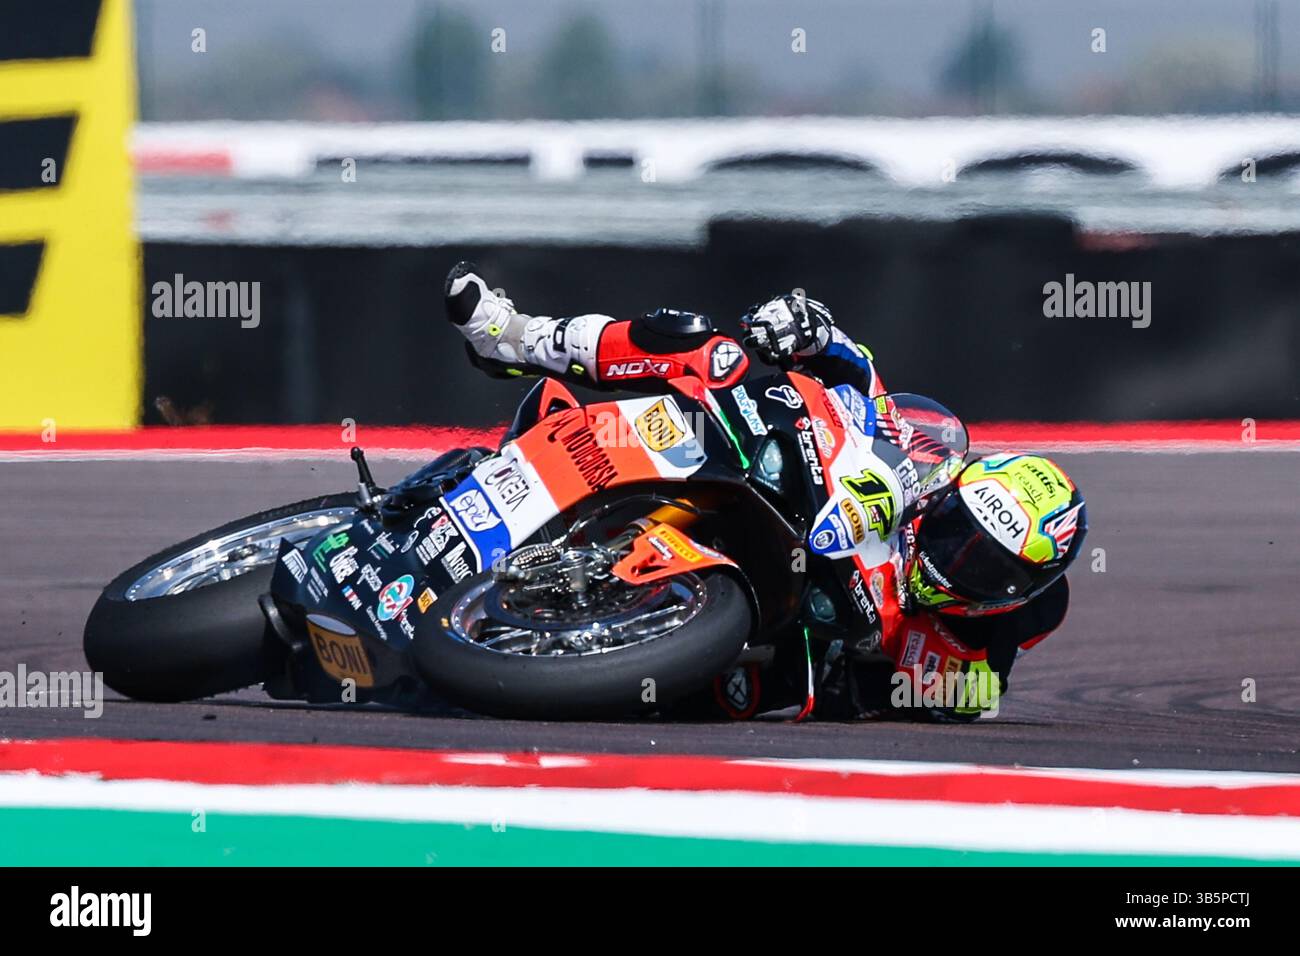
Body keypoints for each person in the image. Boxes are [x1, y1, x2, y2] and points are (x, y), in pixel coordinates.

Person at [443, 261, 1087, 721]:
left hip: (779, 642)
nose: (956, 559)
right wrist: (812, 330)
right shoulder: (917, 469)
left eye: (985, 568)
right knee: (703, 345)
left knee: (731, 698)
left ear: (1013, 597)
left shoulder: (988, 641)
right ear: (950, 494)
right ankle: (515, 336)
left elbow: (970, 697)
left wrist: (869, 675)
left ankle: (573, 649)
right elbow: (865, 384)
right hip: (789, 502)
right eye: (958, 532)